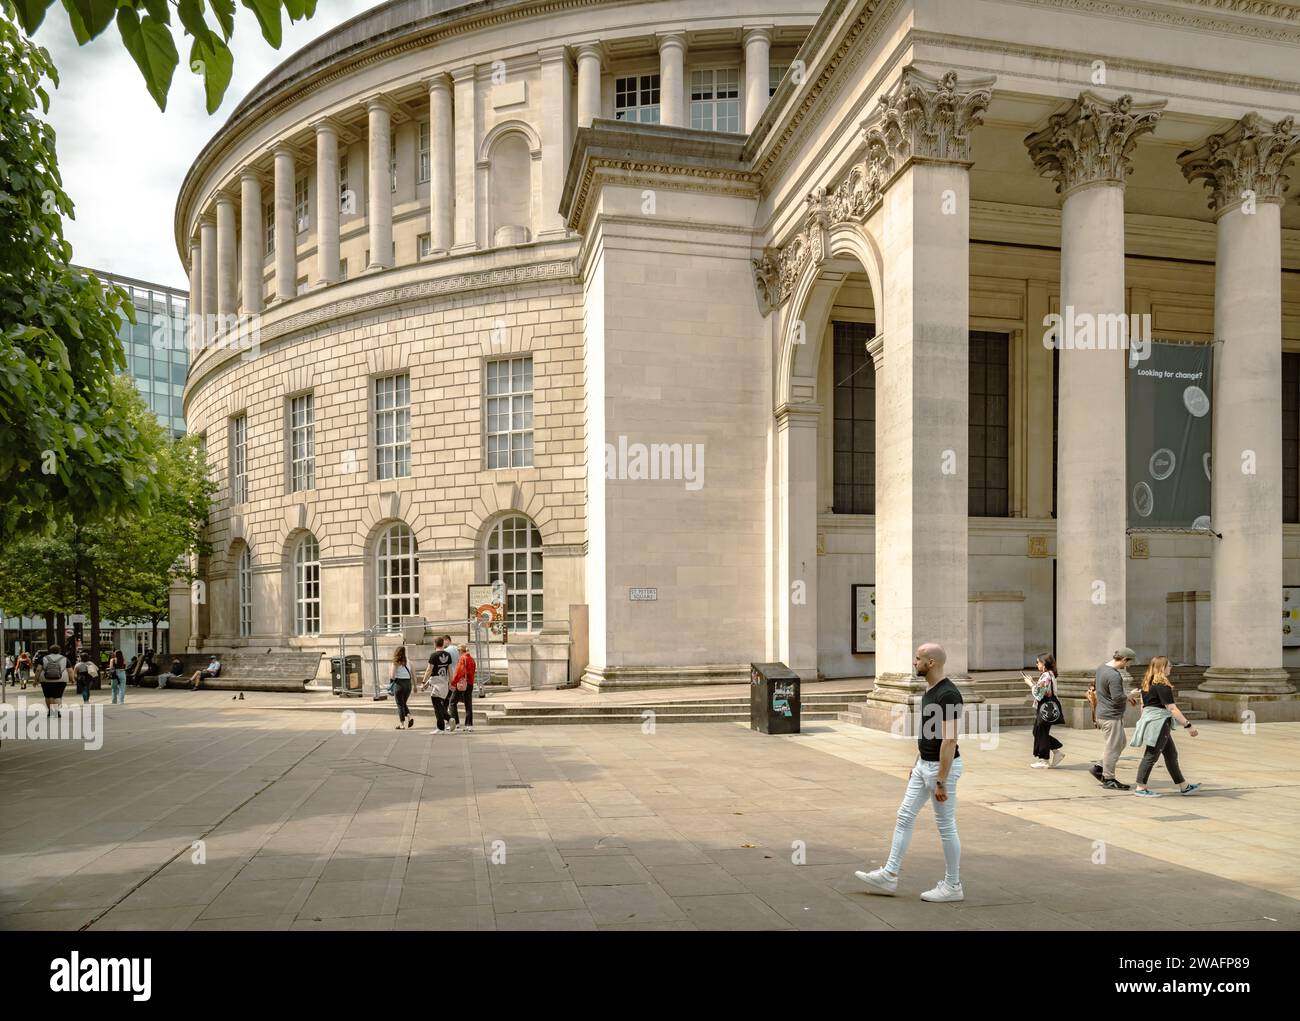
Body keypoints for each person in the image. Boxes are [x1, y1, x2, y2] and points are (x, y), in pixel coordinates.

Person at [855, 642, 965, 903]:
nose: (914, 663)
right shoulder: (930, 689)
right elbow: (929, 731)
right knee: (904, 815)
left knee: (946, 827)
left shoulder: (948, 694)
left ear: (932, 662)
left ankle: (953, 885)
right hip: (923, 766)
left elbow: (950, 740)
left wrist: (941, 780)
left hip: (941, 769)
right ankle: (890, 874)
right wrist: (917, 762)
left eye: (918, 659)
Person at [1131, 655, 1202, 798]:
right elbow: (1172, 708)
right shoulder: (1162, 686)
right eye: (1169, 665)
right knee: (1151, 755)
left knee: (1171, 754)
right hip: (1159, 724)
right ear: (1162, 667)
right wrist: (1188, 725)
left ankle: (1184, 786)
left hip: (1153, 722)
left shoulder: (1147, 684)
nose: (1171, 668)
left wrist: (1144, 722)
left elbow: (1143, 706)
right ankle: (1141, 787)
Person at [1090, 647, 1140, 790]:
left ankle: (1099, 767)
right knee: (1113, 747)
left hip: (1104, 714)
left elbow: (1109, 691)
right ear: (1124, 660)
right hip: (1110, 716)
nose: (1129, 666)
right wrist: (1132, 695)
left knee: (1120, 743)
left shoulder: (1101, 668)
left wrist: (1127, 695)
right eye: (1130, 662)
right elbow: (1118, 698)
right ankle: (1108, 778)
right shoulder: (1114, 675)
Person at [1024, 653, 1065, 768]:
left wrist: (1030, 685)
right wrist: (1033, 683)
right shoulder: (1049, 674)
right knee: (1039, 732)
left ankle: (1044, 760)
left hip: (1045, 708)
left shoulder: (1046, 675)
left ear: (1044, 663)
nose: (1036, 664)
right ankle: (1056, 752)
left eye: (1038, 662)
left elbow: (1039, 694)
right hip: (1047, 707)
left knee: (1040, 732)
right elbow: (1043, 690)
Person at [421, 638, 453, 734]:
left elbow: (429, 670)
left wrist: (423, 682)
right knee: (439, 704)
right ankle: (446, 720)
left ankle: (442, 726)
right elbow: (450, 670)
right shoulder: (448, 655)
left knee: (437, 705)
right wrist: (451, 683)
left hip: (436, 682)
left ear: (435, 644)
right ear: (443, 644)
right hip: (444, 681)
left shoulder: (433, 655)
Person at [448, 644, 476, 732]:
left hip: (461, 683)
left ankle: (456, 723)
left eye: (458, 651)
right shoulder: (471, 659)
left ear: (460, 651)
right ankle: (469, 725)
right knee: (468, 704)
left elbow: (459, 672)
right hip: (470, 683)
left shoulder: (462, 658)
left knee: (452, 702)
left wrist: (453, 683)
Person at [39, 645, 69, 717]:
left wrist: (36, 679)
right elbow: (70, 670)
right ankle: (56, 711)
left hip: (45, 679)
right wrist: (72, 679)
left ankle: (50, 711)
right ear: (59, 651)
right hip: (61, 679)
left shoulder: (44, 658)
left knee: (48, 696)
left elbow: (38, 669)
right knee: (57, 696)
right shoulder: (64, 658)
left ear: (50, 651)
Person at [390, 646, 414, 729]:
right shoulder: (409, 662)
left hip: (399, 684)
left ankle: (402, 724)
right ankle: (409, 717)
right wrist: (414, 686)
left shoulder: (395, 662)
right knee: (403, 703)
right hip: (408, 684)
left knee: (400, 704)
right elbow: (413, 675)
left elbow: (392, 676)